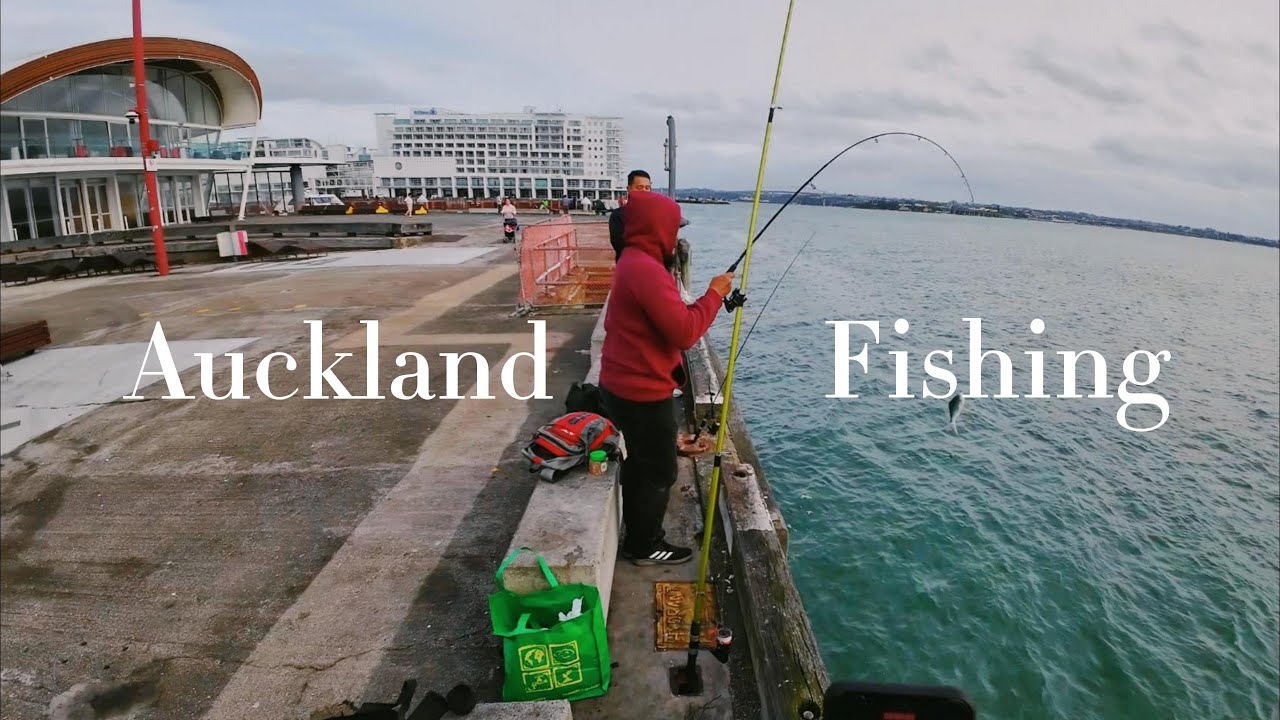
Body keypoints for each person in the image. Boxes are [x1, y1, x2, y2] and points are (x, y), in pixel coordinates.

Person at [599, 191, 734, 566]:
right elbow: (685, 332)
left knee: (641, 462)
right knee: (659, 472)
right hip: (641, 391)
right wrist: (714, 294)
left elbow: (667, 319)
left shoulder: (632, 261)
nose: (675, 239)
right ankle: (644, 546)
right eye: (673, 230)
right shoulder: (645, 269)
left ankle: (636, 532)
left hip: (623, 383)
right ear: (656, 229)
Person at [610, 170, 651, 261]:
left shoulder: (656, 213)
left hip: (655, 265)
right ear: (629, 189)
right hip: (628, 264)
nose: (644, 191)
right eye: (639, 187)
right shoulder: (618, 215)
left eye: (647, 188)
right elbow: (618, 244)